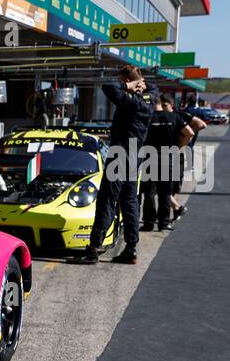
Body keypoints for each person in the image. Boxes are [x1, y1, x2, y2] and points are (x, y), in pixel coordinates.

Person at [76, 65, 151, 264]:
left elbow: (108, 87)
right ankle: (131, 248)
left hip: (120, 153)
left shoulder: (130, 101)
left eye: (122, 80)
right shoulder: (149, 98)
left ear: (127, 81)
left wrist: (131, 84)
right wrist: (138, 83)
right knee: (129, 201)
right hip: (136, 155)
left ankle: (93, 248)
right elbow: (149, 88)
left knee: (107, 200)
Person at [140, 97, 196, 232]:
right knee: (165, 192)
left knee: (149, 193)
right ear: (161, 104)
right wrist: (178, 147)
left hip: (149, 157)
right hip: (168, 157)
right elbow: (190, 133)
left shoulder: (147, 117)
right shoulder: (174, 116)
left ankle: (148, 223)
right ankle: (163, 223)